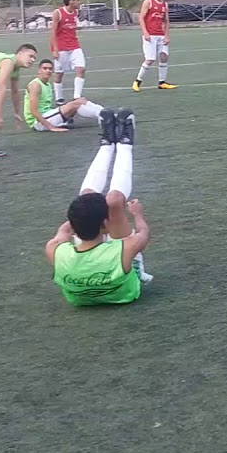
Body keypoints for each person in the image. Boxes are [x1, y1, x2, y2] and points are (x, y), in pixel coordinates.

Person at [45, 108, 153, 307]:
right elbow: (144, 234)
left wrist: (80, 214)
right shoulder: (127, 247)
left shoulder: (54, 249)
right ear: (106, 226)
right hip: (126, 287)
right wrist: (137, 215)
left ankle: (107, 144)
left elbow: (63, 230)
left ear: (74, 228)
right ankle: (125, 143)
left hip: (81, 296)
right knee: (114, 201)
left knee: (86, 198)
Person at [24, 59, 106, 132]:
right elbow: (33, 110)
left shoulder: (47, 84)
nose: (48, 71)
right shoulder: (35, 85)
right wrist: (50, 127)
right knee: (75, 104)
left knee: (81, 100)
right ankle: (104, 117)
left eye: (50, 69)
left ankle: (104, 113)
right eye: (45, 68)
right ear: (39, 70)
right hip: (38, 123)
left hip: (47, 115)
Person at [133, 0, 176, 92]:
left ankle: (162, 82)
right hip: (150, 35)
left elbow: (166, 21)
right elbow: (141, 18)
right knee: (150, 59)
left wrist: (166, 35)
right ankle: (137, 82)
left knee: (164, 57)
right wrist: (145, 32)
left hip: (161, 35)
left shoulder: (164, 4)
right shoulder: (148, 2)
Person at [49, 0, 87, 102]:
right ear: (71, 1)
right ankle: (59, 97)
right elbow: (52, 33)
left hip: (74, 46)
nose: (79, 2)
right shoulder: (58, 13)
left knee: (81, 69)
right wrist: (55, 49)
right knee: (59, 75)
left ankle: (77, 97)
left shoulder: (76, 12)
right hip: (61, 48)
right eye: (77, 0)